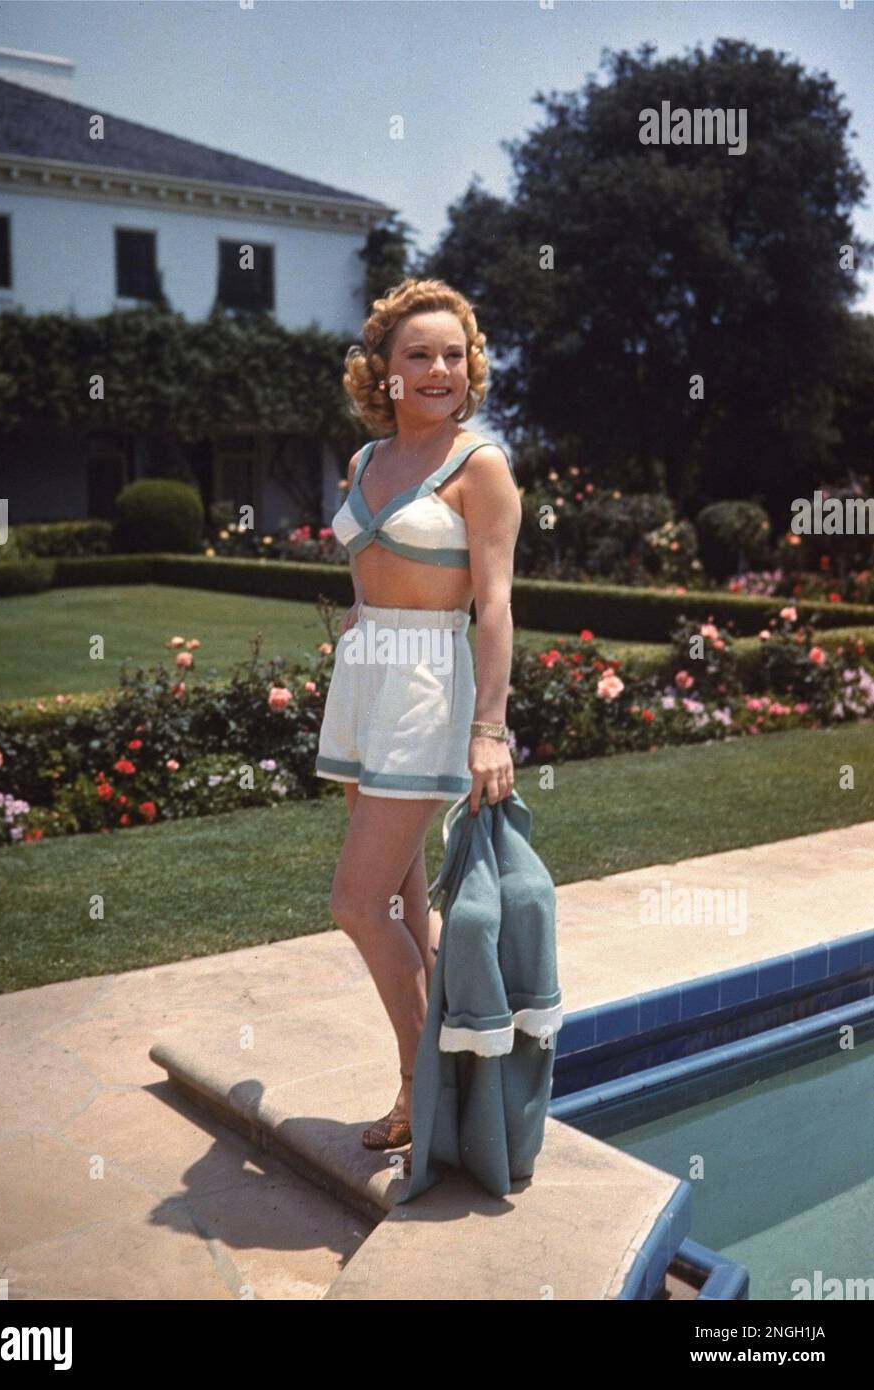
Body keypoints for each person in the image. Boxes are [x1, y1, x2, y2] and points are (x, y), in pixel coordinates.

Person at [314, 277, 522, 1174]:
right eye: (418, 355)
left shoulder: (479, 465)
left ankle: (419, 1087)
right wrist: (359, 632)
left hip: (432, 687)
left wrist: (492, 729)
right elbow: (368, 578)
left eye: (453, 355)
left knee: (353, 903)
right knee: (399, 904)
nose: (439, 369)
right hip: (366, 682)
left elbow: (497, 604)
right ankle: (460, 1077)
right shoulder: (364, 464)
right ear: (383, 372)